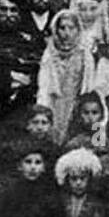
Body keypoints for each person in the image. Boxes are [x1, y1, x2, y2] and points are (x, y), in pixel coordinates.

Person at [36, 10, 92, 143]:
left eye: (71, 28)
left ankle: (97, 149)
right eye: (62, 28)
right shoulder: (49, 53)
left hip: (77, 101)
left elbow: (90, 85)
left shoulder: (85, 54)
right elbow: (44, 85)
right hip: (53, 100)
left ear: (78, 29)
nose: (67, 32)